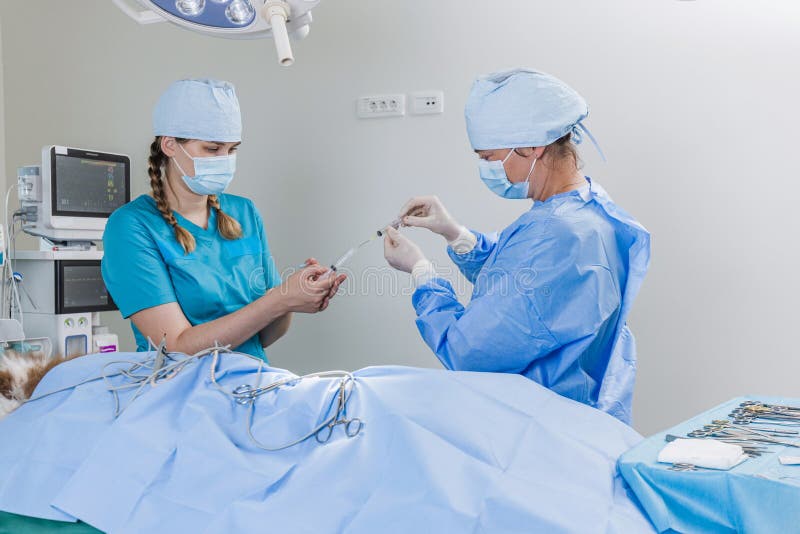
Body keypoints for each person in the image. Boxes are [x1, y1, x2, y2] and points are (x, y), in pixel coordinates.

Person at [383, 69, 650, 423]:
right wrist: (455, 234)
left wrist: (420, 272)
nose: (485, 168)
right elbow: (518, 276)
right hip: (586, 417)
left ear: (532, 146)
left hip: (547, 429)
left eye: (488, 157)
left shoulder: (557, 234)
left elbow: (467, 350)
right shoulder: (585, 206)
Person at [102, 78, 345, 360]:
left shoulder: (244, 213)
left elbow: (265, 336)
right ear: (169, 145)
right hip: (182, 385)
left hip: (252, 379)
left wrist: (292, 298)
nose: (225, 159)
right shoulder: (132, 227)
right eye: (212, 149)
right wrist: (279, 299)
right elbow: (176, 348)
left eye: (232, 149)